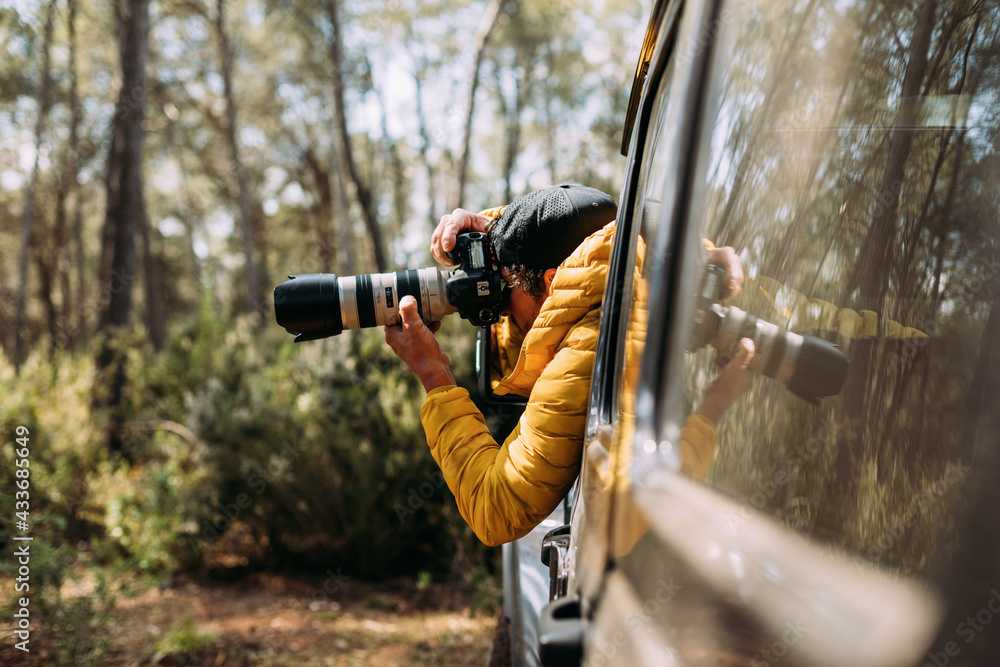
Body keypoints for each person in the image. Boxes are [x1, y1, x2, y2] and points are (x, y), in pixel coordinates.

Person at [385, 184, 752, 546]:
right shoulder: (624, 272)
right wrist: (492, 229)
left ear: (549, 281)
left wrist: (434, 374)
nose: (502, 306)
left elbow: (495, 508)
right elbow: (582, 225)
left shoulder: (585, 351)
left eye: (506, 284)